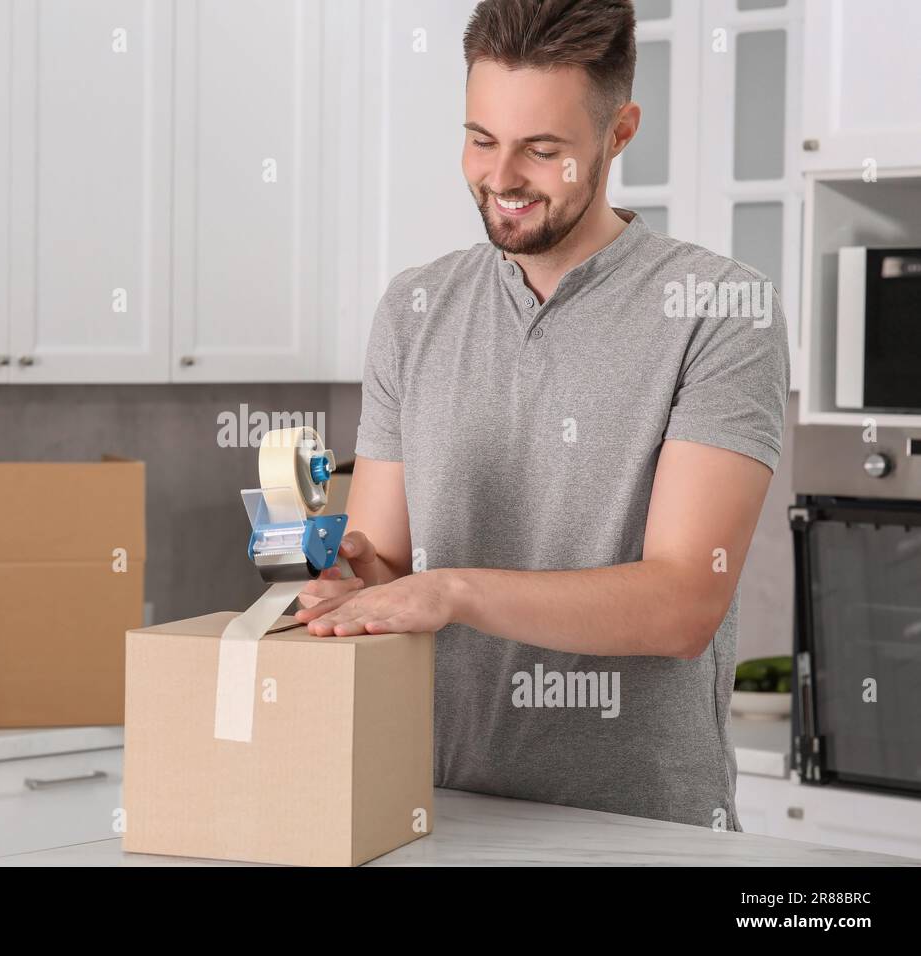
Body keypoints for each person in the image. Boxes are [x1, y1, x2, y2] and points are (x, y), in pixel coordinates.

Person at [295, 0, 790, 831]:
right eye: (481, 139)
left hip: (646, 830)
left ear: (619, 131)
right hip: (434, 811)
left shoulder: (718, 310)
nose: (500, 177)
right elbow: (385, 569)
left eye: (543, 150)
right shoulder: (416, 309)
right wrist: (344, 580)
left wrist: (451, 590)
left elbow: (682, 607)